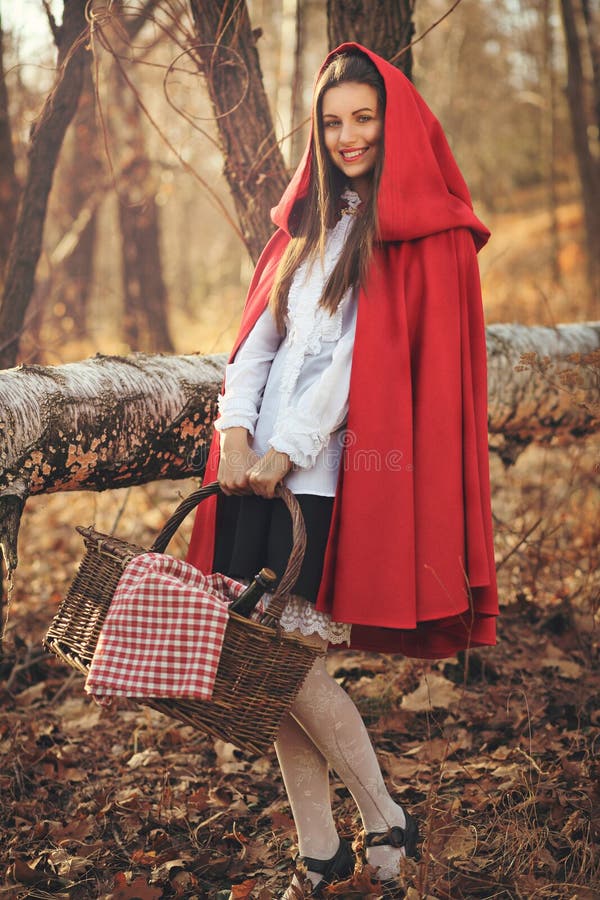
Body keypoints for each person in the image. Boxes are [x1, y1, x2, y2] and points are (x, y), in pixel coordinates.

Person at [187, 43, 499, 898]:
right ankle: (321, 852)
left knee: (288, 657)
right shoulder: (307, 227)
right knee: (267, 660)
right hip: (257, 469)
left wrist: (291, 445)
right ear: (316, 134)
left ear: (390, 124)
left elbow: (358, 365)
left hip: (324, 476)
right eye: (334, 122)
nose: (349, 135)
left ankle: (383, 812)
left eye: (364, 118)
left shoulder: (404, 236)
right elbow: (259, 343)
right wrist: (237, 433)